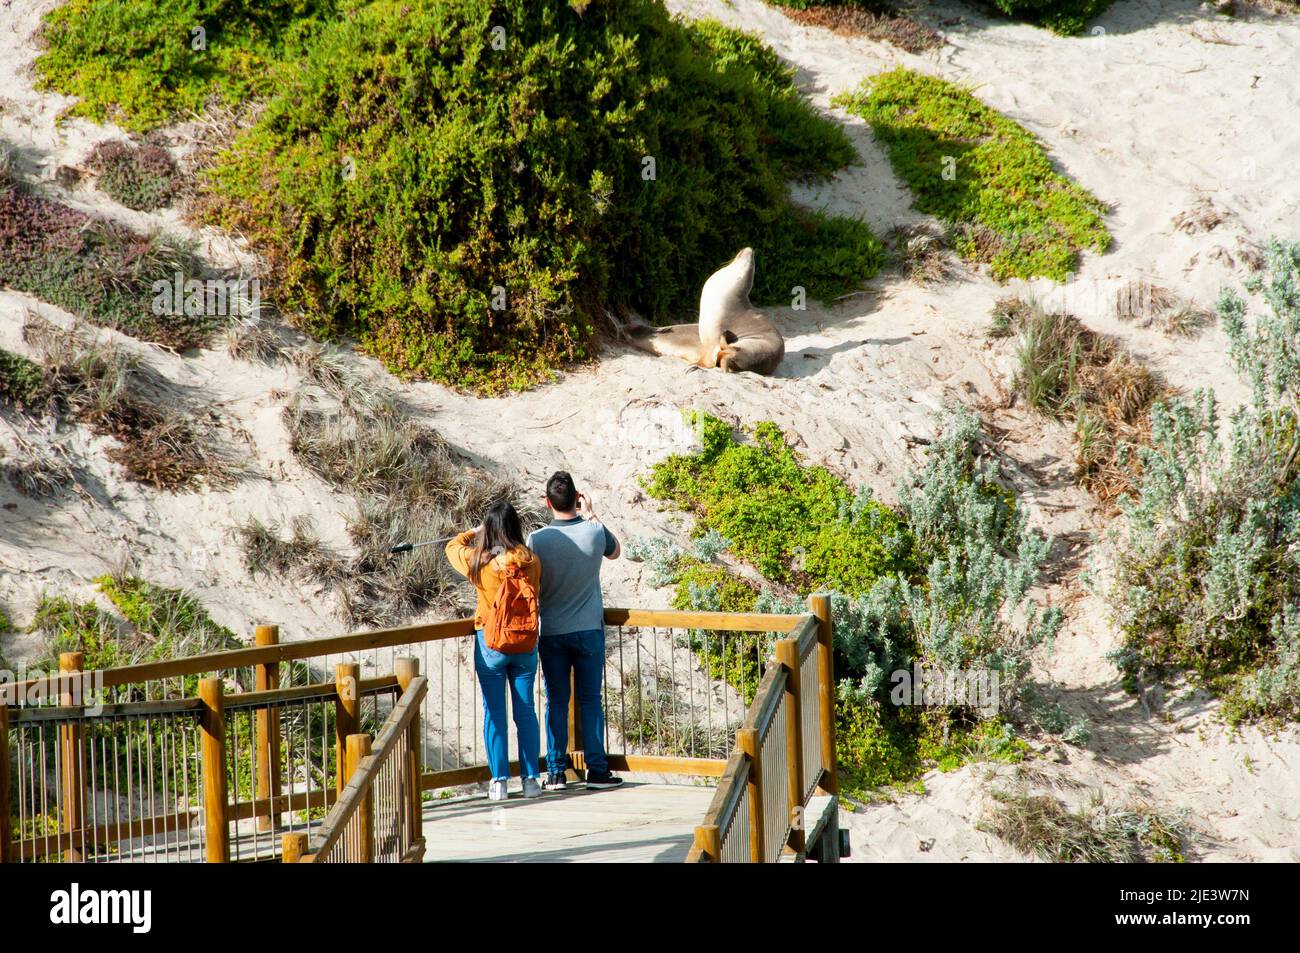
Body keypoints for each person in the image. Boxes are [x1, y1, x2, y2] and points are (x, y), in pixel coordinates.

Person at [526, 471, 624, 791]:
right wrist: (592, 513)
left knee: (556, 701)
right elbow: (615, 550)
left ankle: (555, 771)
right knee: (590, 701)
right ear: (577, 498)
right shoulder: (595, 532)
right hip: (588, 630)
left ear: (547, 502)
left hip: (552, 630)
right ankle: (597, 770)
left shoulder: (537, 540)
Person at [446, 501, 543, 801]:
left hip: (490, 642)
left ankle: (499, 781)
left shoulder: (480, 563)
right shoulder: (532, 561)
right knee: (525, 711)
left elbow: (451, 547)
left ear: (490, 529)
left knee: (495, 713)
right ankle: (530, 781)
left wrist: (473, 533)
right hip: (525, 641)